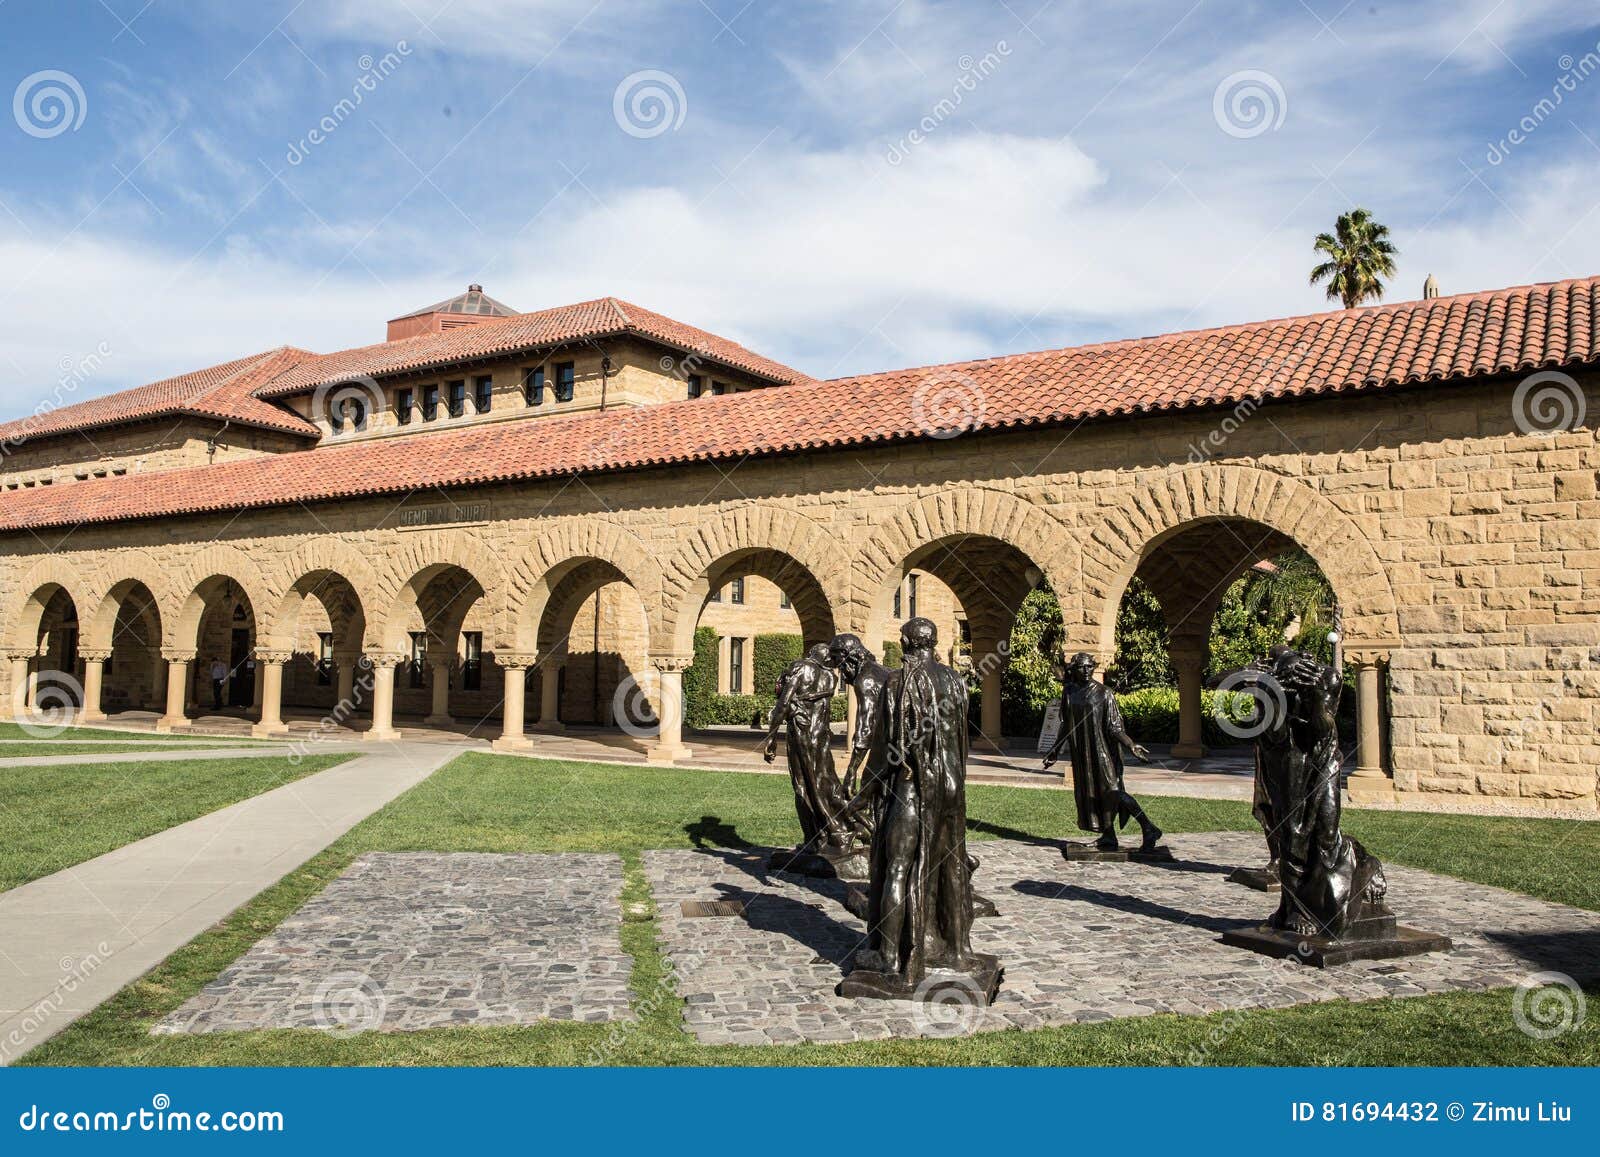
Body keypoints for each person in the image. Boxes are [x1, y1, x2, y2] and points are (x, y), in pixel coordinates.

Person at [849, 617, 979, 985]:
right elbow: (960, 740)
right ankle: (957, 948)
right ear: (934, 643)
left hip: (913, 787)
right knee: (952, 864)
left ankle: (890, 955)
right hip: (951, 785)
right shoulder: (955, 680)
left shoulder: (897, 681)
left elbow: (884, 751)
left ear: (906, 642)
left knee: (898, 866)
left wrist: (863, 794)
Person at [1043, 652, 1164, 853]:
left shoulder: (1104, 693)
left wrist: (1131, 745)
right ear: (1074, 669)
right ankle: (1108, 836)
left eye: (1090, 666)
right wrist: (1055, 750)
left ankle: (1148, 827)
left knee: (1113, 792)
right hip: (1082, 752)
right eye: (1082, 667)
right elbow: (1066, 724)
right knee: (1094, 793)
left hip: (1102, 751)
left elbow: (1114, 727)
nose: (1086, 670)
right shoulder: (1069, 692)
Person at [762, 643, 863, 854]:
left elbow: (783, 703)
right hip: (821, 736)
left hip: (802, 733)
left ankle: (817, 838)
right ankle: (836, 830)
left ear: (810, 653)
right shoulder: (830, 677)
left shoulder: (801, 667)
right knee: (824, 782)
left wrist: (771, 737)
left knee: (803, 786)